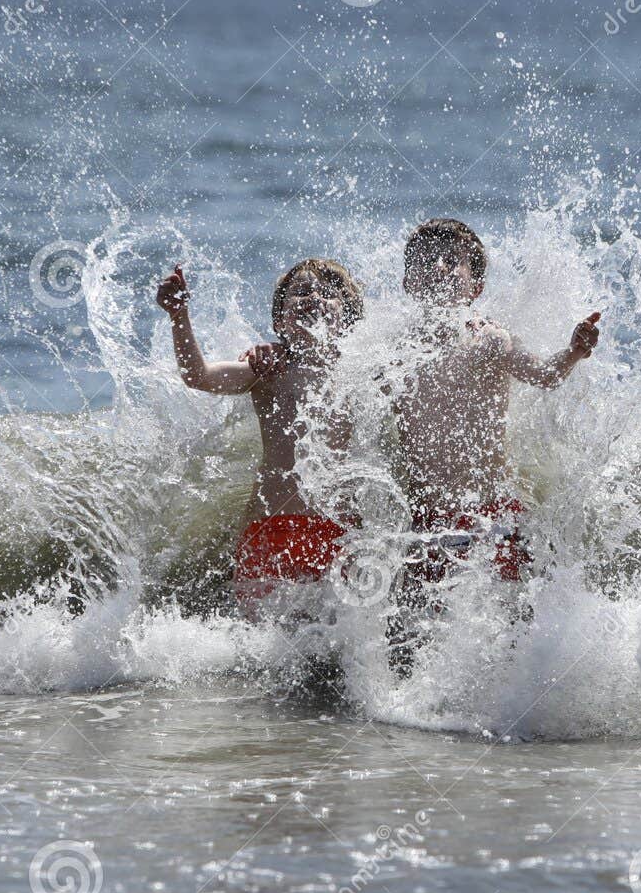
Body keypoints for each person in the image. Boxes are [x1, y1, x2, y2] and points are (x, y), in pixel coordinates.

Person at [388, 218, 600, 671]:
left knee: (508, 630)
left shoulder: (491, 340)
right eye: (427, 260)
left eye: (454, 261)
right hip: (425, 516)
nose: (440, 266)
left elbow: (545, 376)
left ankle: (513, 712)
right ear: (408, 281)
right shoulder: (392, 351)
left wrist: (575, 352)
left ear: (476, 285)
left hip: (489, 512)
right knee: (416, 639)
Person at [155, 257, 364, 608]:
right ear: (280, 319)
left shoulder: (360, 371)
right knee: (262, 651)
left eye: (327, 293)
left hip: (339, 535)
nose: (313, 297)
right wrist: (179, 318)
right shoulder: (269, 369)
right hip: (271, 530)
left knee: (336, 649)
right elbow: (199, 376)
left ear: (350, 318)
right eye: (300, 292)